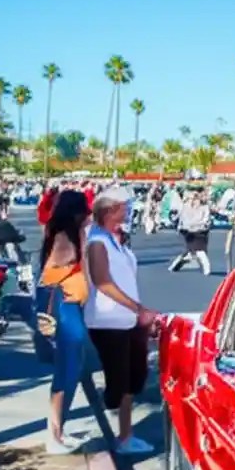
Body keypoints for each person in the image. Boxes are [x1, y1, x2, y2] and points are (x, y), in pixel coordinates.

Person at [84, 187, 157, 455]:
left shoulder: (116, 241)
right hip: (108, 321)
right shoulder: (97, 242)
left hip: (127, 319)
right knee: (121, 382)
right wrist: (138, 309)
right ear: (110, 210)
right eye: (123, 207)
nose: (127, 211)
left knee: (134, 377)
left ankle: (126, 436)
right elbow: (103, 282)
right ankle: (123, 436)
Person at [38, 190, 93, 454]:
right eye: (85, 212)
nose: (88, 216)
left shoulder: (66, 234)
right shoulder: (65, 238)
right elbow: (50, 274)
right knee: (67, 371)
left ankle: (58, 430)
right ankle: (54, 435)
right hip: (65, 309)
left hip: (71, 308)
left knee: (71, 370)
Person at [171, 191, 212, 274]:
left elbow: (206, 220)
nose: (194, 201)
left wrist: (199, 225)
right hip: (189, 232)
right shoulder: (185, 207)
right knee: (197, 251)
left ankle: (181, 261)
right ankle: (206, 269)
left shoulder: (205, 208)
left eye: (196, 199)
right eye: (192, 199)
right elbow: (181, 220)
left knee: (197, 251)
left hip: (201, 232)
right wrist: (183, 226)